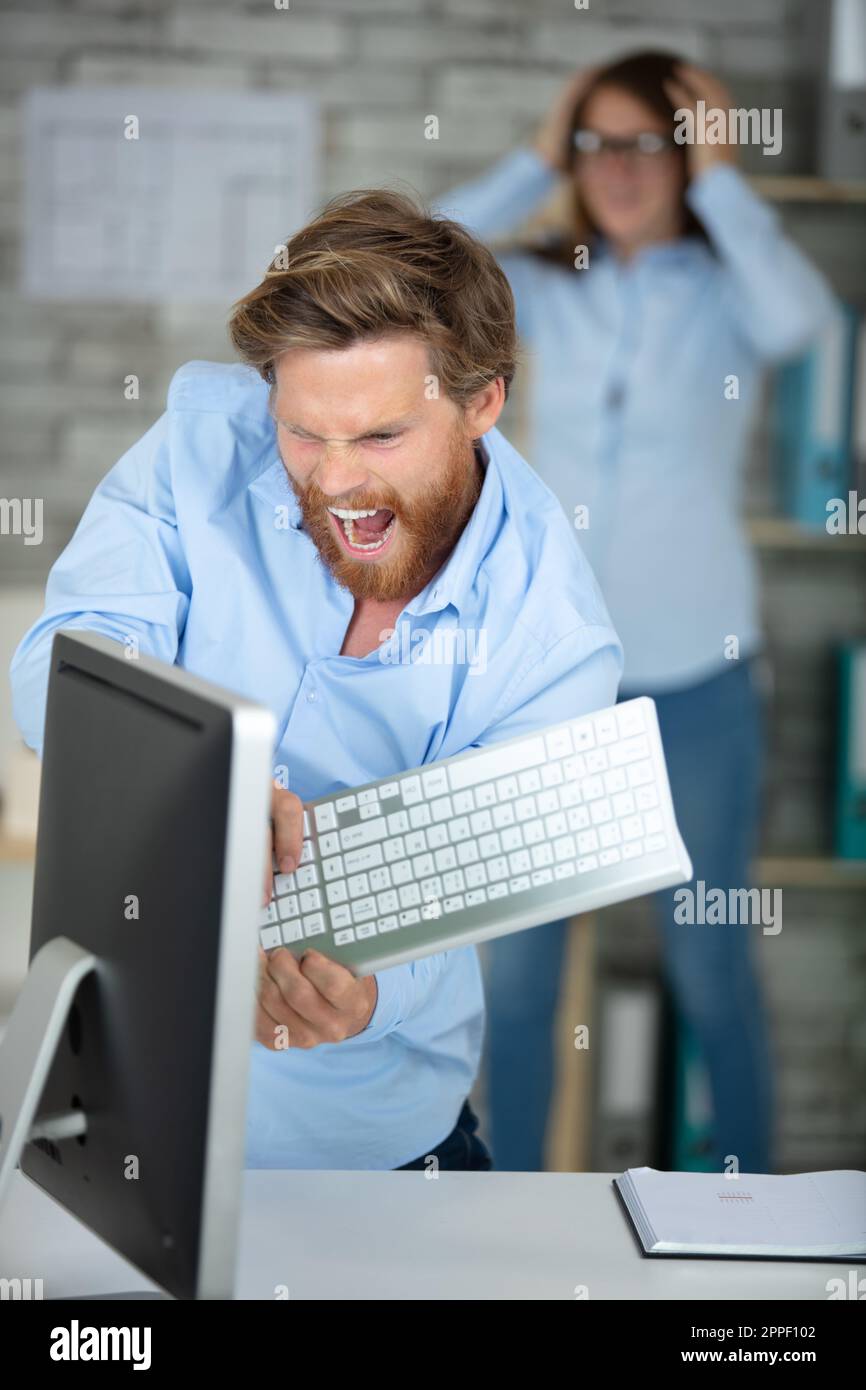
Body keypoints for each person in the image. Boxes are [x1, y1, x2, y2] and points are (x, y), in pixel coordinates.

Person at [9, 189, 624, 1171]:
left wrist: (372, 992)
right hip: (110, 1105)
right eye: (302, 431)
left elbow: (464, 899)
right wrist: (203, 776)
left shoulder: (550, 641)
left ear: (480, 401)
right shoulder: (200, 443)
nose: (334, 482)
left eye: (380, 437)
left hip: (360, 1147)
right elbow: (60, 670)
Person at [436, 52, 840, 1173]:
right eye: (596, 143)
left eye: (644, 143)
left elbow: (800, 317)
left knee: (705, 967)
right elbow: (421, 257)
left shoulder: (727, 289)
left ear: (686, 152)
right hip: (551, 683)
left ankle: (754, 1213)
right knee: (514, 982)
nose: (617, 168)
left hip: (696, 679)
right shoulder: (545, 281)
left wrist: (715, 181)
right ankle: (506, 1214)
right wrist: (535, 150)